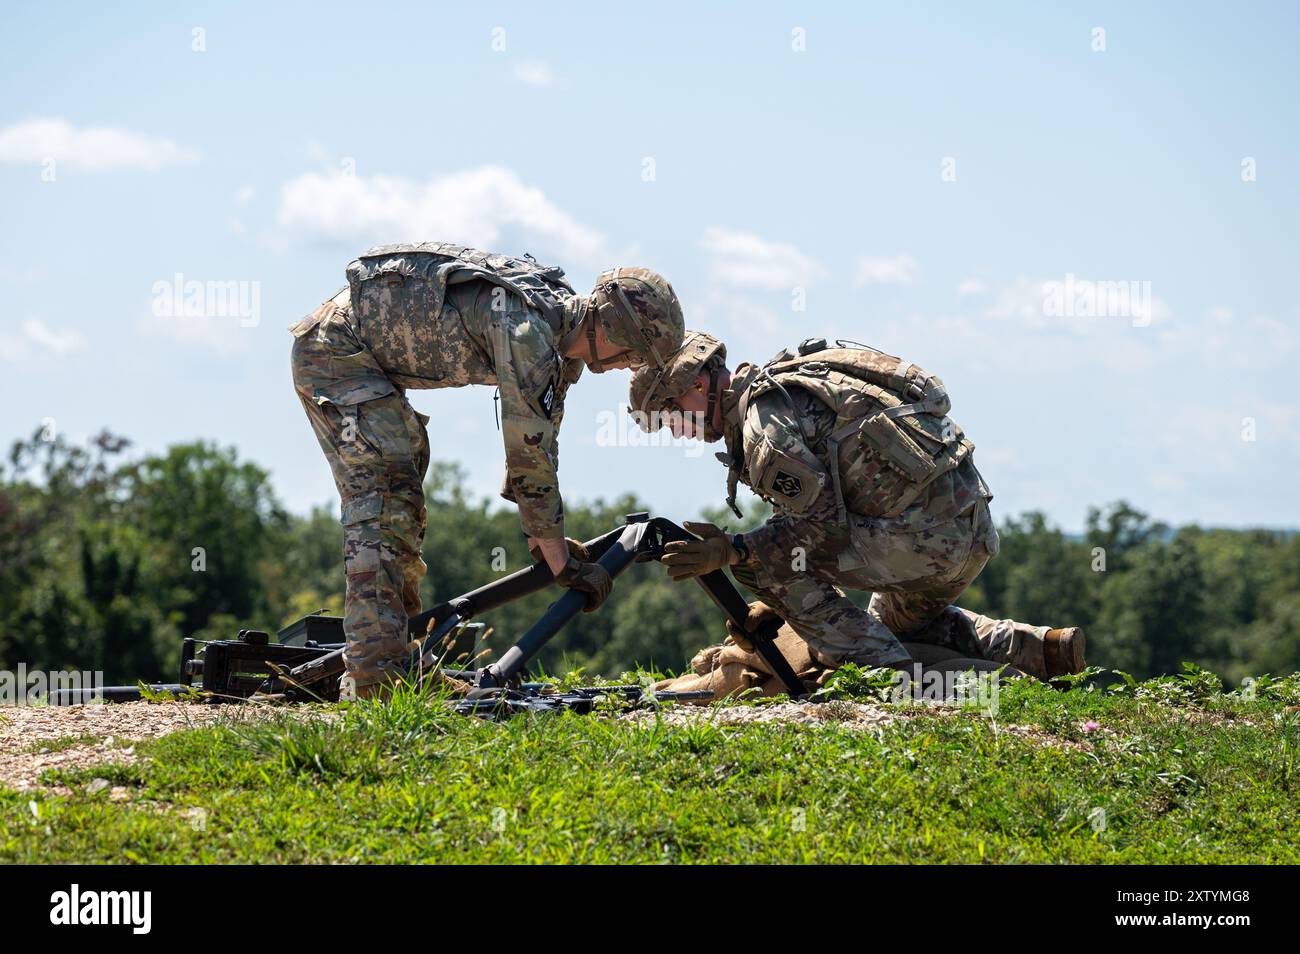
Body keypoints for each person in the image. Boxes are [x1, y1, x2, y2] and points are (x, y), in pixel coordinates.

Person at [291, 243, 685, 698]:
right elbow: (527, 453)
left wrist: (545, 538)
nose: (626, 367)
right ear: (610, 328)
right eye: (633, 354)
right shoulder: (530, 333)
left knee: (402, 480)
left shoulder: (560, 333)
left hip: (358, 358)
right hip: (334, 354)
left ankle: (398, 660)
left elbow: (540, 435)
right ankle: (374, 677)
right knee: (384, 499)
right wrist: (561, 562)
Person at [627, 332, 1085, 693]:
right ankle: (1037, 650)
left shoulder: (762, 429)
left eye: (668, 414)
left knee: (761, 565)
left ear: (697, 385)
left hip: (922, 544)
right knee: (890, 621)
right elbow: (822, 512)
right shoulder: (788, 384)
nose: (675, 431)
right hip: (965, 536)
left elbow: (821, 527)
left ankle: (886, 678)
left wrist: (735, 550)